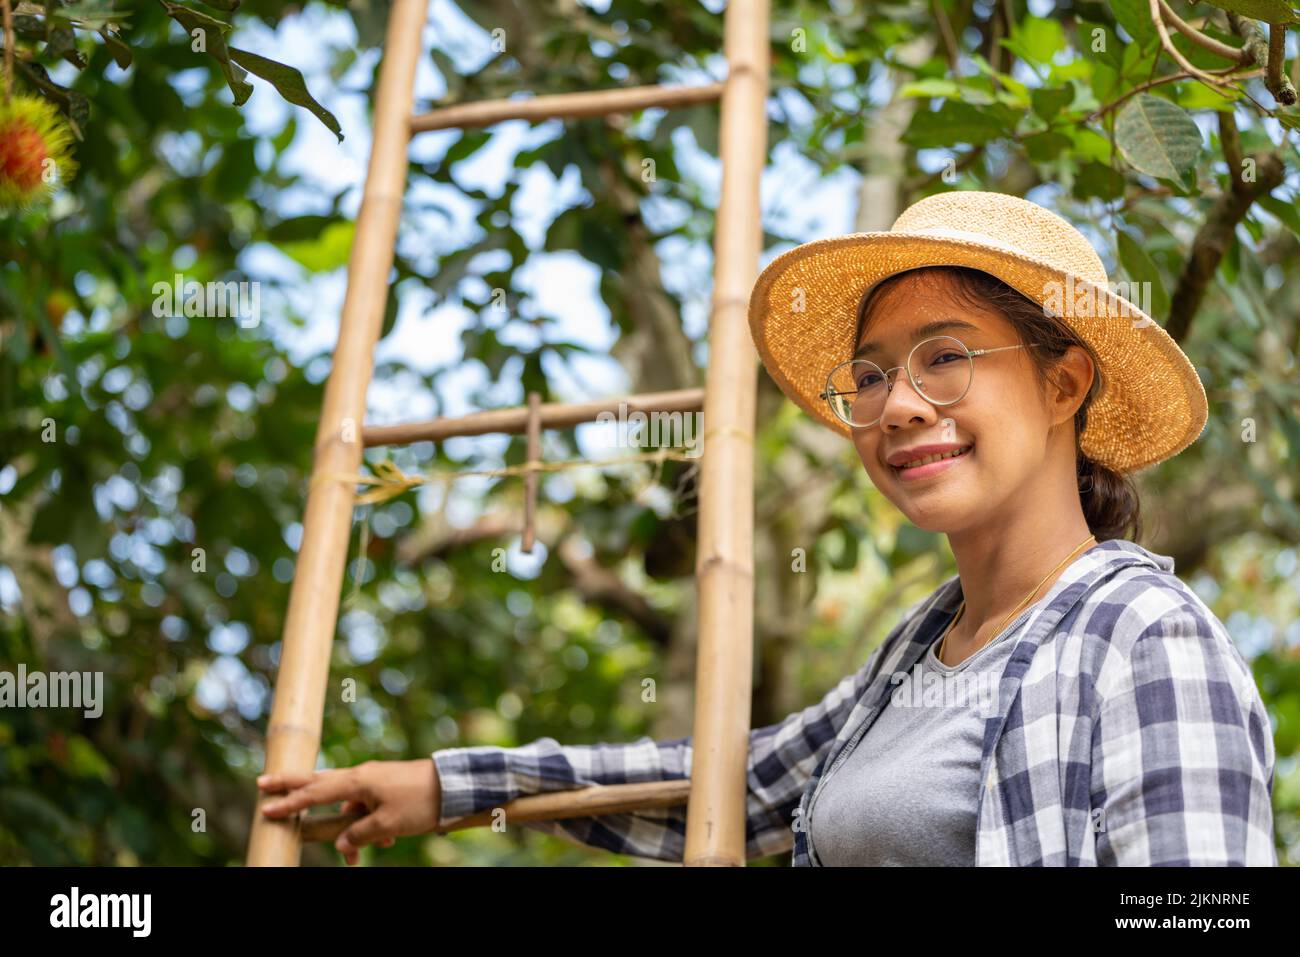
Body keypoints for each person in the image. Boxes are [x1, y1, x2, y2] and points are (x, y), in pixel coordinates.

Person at [258, 191, 1277, 866]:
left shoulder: (1143, 638)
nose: (899, 406)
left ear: (1065, 381)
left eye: (946, 357)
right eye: (870, 376)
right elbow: (733, 783)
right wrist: (451, 785)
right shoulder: (917, 653)